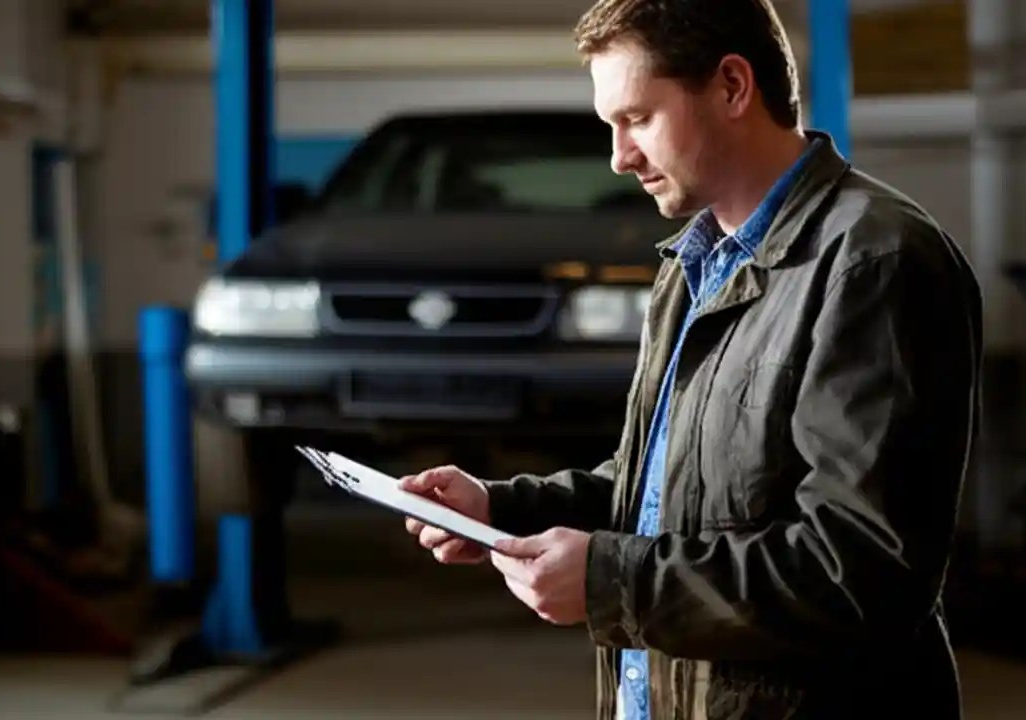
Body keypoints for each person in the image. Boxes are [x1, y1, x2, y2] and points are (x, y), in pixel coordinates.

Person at [399, 0, 983, 717]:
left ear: (734, 87)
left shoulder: (873, 261)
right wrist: (502, 509)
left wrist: (612, 583)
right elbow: (666, 485)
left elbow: (858, 569)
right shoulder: (695, 264)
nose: (619, 157)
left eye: (637, 119)